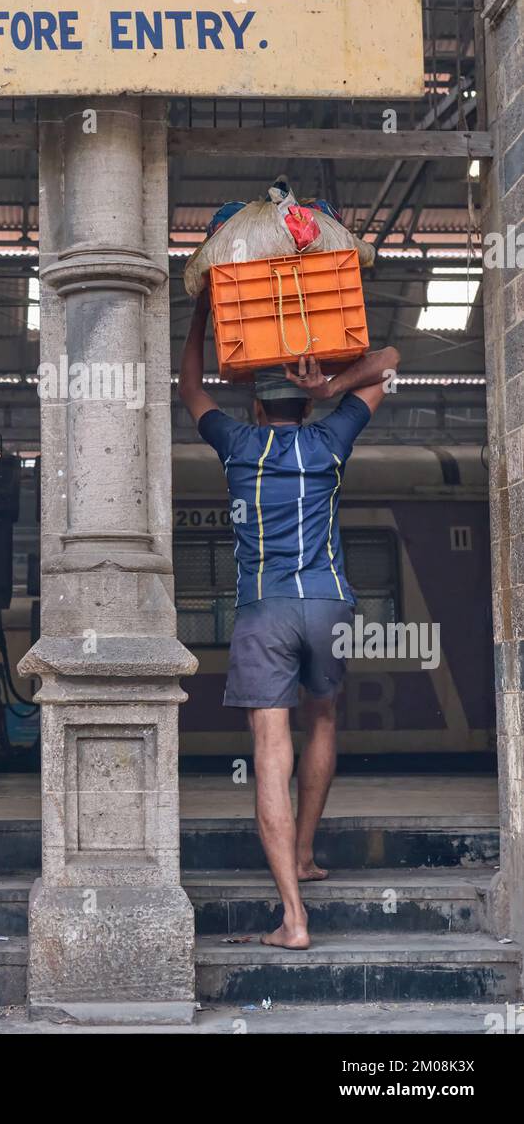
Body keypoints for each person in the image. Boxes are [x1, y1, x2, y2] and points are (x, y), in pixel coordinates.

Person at [178, 287, 399, 949]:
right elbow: (388, 359)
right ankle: (304, 851)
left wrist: (201, 313)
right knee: (323, 717)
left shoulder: (237, 443)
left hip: (264, 611)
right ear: (306, 403)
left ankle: (294, 919)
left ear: (254, 403)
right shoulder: (333, 437)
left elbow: (188, 384)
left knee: (270, 753)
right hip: (327, 602)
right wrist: (334, 383)